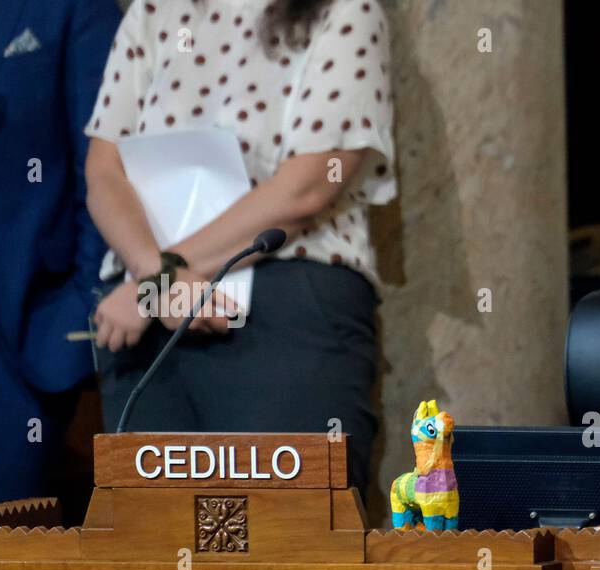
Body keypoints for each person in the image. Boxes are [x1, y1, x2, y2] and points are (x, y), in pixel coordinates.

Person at [85, 0, 396, 493]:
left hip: (287, 300)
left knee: (290, 537)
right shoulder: (156, 9)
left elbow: (307, 187)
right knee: (152, 544)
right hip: (146, 311)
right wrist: (153, 273)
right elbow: (103, 170)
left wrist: (168, 271)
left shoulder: (344, 9)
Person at [0, 0, 122, 504]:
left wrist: (72, 322)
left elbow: (107, 169)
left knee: (7, 562)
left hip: (15, 346)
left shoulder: (75, 9)